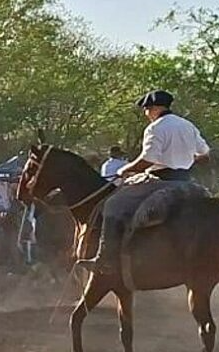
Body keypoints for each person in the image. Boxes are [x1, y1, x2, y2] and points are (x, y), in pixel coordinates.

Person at [77, 89, 210, 274]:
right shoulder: (188, 125)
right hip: (186, 181)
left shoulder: (155, 128)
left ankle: (105, 260)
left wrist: (125, 169)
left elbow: (148, 160)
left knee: (112, 205)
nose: (146, 114)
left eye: (146, 110)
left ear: (154, 108)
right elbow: (204, 153)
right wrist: (184, 160)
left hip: (161, 181)